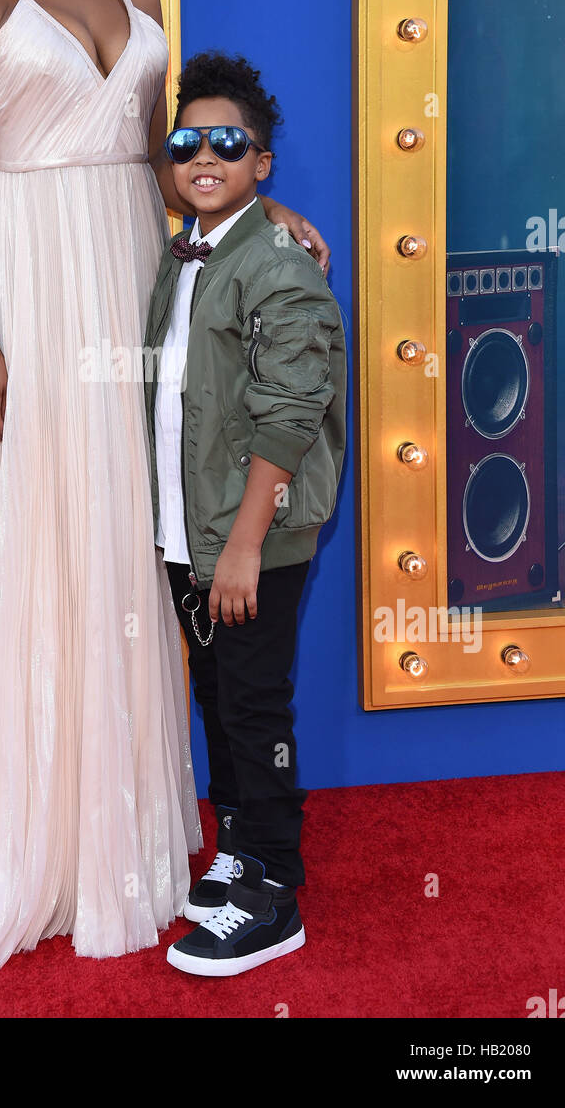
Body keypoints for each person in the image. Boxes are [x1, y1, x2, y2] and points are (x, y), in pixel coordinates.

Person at [0, 0, 332, 971]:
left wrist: (259, 210)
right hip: (29, 285)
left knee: (138, 544)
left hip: (138, 292)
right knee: (38, 538)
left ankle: (138, 832)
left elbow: (164, 164)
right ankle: (33, 833)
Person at [142, 50, 346, 976]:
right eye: (188, 142)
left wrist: (245, 548)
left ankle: (273, 888)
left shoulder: (277, 266)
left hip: (252, 539)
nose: (205, 154)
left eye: (230, 141)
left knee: (256, 704)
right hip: (197, 534)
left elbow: (290, 411)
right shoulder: (188, 255)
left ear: (262, 161)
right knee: (219, 698)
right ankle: (237, 848)